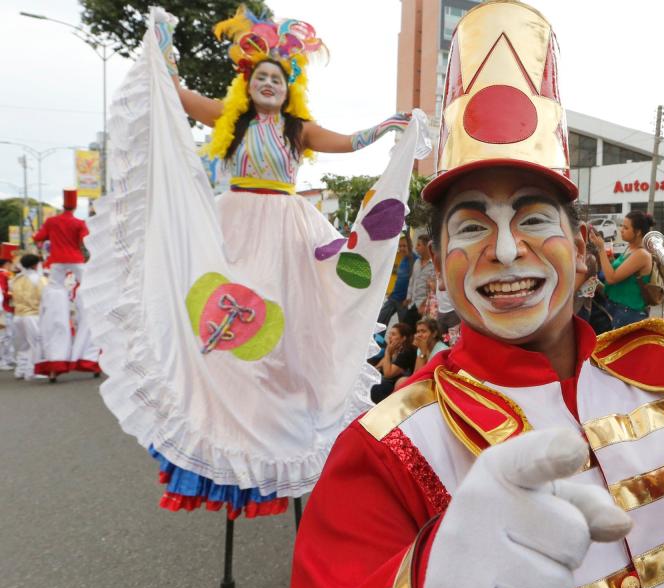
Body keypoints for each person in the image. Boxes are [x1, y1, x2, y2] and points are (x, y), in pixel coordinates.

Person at [291, 3, 664, 588]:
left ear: (584, 249)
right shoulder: (386, 446)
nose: (508, 250)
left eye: (536, 218)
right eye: (470, 227)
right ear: (435, 263)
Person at [81, 7, 430, 518]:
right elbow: (175, 96)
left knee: (296, 329)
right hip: (234, 226)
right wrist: (162, 49)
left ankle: (283, 423)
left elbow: (347, 142)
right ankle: (228, 419)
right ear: (248, 84)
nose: (270, 82)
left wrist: (387, 127)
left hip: (289, 231)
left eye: (278, 78)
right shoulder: (230, 118)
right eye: (261, 76)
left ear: (290, 90)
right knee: (228, 327)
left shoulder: (297, 129)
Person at [33, 189, 94, 381]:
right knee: (89, 294)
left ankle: (55, 361)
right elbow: (87, 240)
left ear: (62, 206)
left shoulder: (52, 221)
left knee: (55, 300)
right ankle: (89, 358)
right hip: (76, 260)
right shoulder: (78, 223)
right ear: (75, 206)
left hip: (57, 262)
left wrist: (50, 237)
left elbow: (37, 238)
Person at [590, 209, 656, 329]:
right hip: (615, 308)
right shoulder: (629, 249)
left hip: (628, 313)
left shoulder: (641, 254)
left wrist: (601, 248)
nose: (621, 230)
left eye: (626, 228)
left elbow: (611, 278)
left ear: (638, 232)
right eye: (621, 226)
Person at [11, 254, 47, 381]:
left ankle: (20, 370)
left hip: (18, 315)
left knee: (22, 345)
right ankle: (32, 371)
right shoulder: (39, 278)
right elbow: (45, 297)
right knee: (35, 343)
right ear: (34, 265)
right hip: (33, 315)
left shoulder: (16, 279)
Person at [371, 323, 416, 403]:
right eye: (390, 334)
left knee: (376, 386)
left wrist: (387, 353)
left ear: (403, 338)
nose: (389, 337)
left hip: (397, 386)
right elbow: (379, 366)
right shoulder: (395, 349)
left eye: (393, 334)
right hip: (389, 383)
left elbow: (388, 374)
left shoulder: (407, 351)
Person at [378, 236, 415, 327]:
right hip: (393, 297)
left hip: (404, 301)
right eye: (400, 246)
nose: (401, 248)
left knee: (404, 327)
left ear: (411, 246)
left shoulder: (415, 260)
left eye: (404, 246)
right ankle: (378, 341)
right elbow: (399, 279)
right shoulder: (401, 259)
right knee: (380, 321)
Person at [405, 234, 436, 328]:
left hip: (424, 308)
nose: (416, 247)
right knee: (406, 328)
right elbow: (412, 280)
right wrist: (408, 297)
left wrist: (425, 303)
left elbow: (433, 288)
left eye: (419, 245)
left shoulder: (434, 265)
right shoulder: (417, 262)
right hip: (413, 304)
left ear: (427, 247)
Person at [0, 255, 14, 370]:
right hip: (4, 308)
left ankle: (8, 358)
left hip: (6, 307)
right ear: (6, 264)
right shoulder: (3, 274)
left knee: (8, 335)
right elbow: (4, 292)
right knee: (4, 335)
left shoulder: (6, 274)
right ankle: (3, 360)